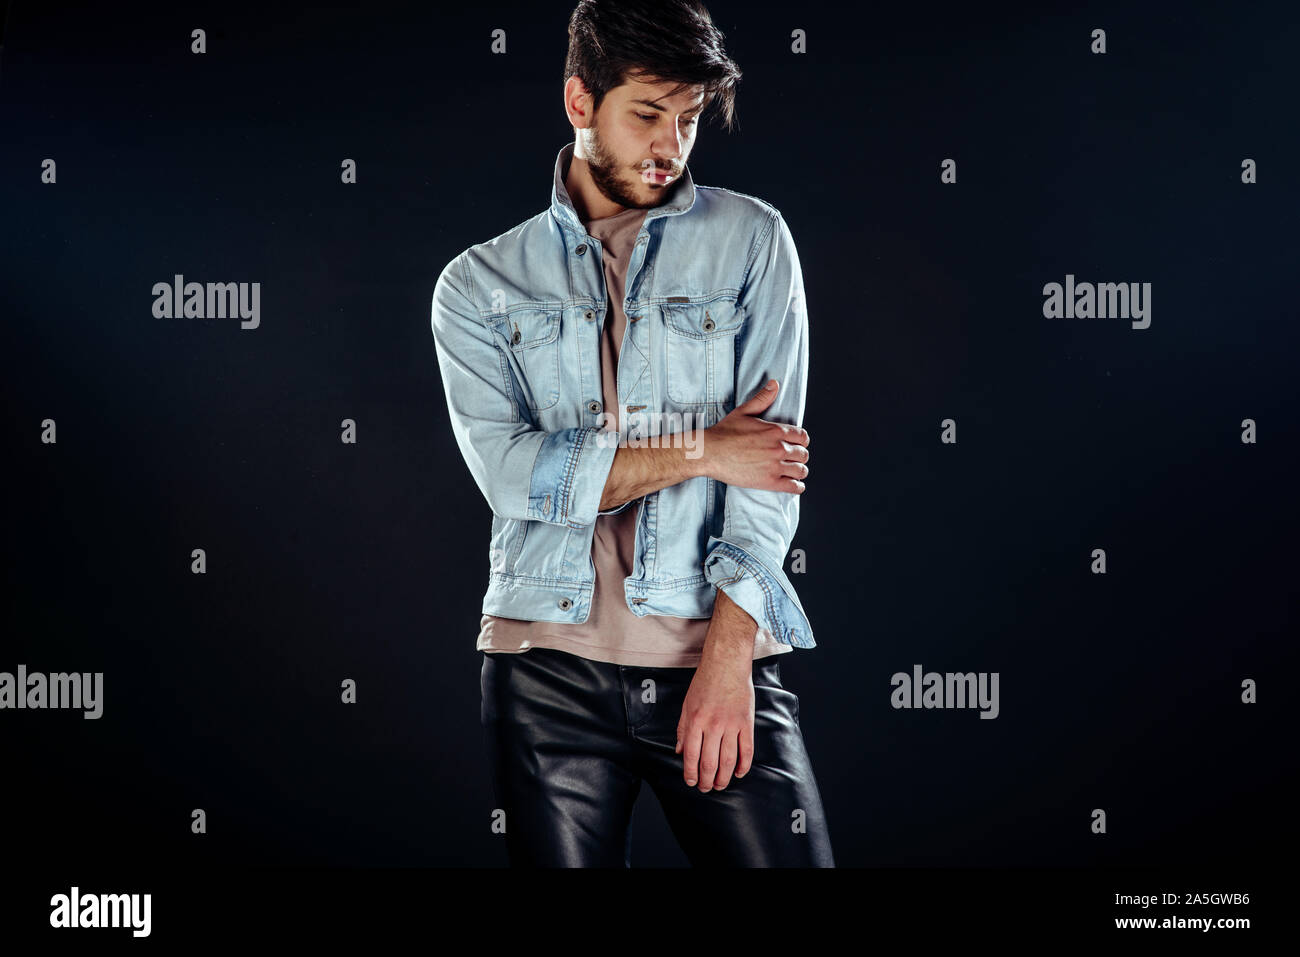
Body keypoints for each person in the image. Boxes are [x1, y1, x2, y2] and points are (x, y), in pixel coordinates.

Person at [430, 0, 833, 866]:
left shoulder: (753, 241)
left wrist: (729, 658)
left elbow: (769, 466)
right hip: (545, 666)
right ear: (581, 103)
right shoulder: (476, 284)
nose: (670, 146)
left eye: (687, 120)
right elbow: (514, 478)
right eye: (647, 114)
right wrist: (703, 449)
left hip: (713, 643)